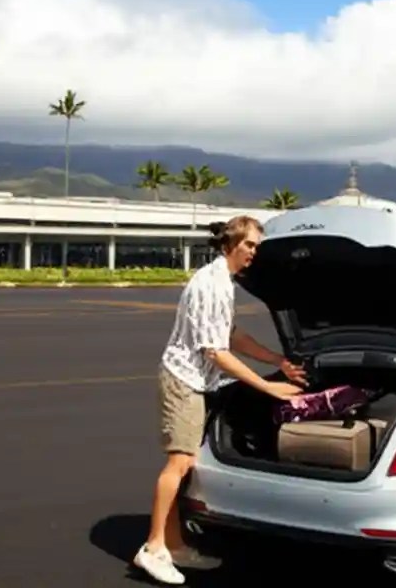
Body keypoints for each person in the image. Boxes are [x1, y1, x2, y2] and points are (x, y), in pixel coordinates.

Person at [133, 215, 307, 585]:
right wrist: (268, 386)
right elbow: (216, 352)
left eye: (257, 247)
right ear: (230, 244)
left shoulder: (224, 282)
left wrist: (279, 361)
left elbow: (231, 334)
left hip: (198, 381)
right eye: (250, 245)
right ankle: (153, 548)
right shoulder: (212, 284)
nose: (254, 253)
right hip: (185, 380)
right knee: (179, 464)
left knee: (187, 463)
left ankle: (174, 543)